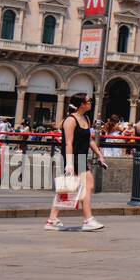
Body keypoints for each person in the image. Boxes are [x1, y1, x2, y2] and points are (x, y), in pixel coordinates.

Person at [44, 93, 109, 232]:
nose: (91, 102)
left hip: (81, 157)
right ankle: (88, 220)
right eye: (89, 101)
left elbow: (89, 139)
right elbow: (68, 143)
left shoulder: (86, 118)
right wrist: (69, 163)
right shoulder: (70, 120)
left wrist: (99, 155)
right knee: (86, 186)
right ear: (81, 104)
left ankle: (52, 220)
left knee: (68, 189)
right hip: (72, 157)